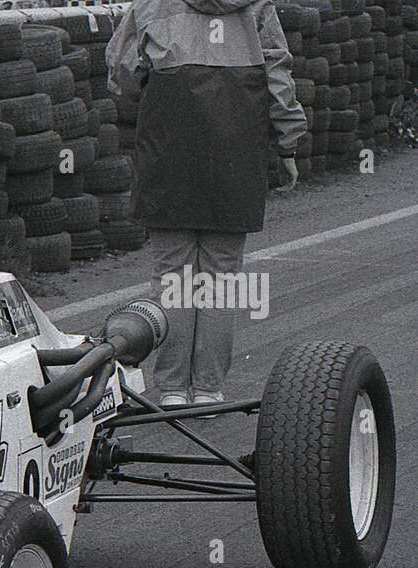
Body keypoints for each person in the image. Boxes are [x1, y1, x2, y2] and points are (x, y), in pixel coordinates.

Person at [106, 0, 306, 409]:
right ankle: (210, 389)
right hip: (235, 152)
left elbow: (122, 69)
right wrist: (288, 143)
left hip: (169, 148)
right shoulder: (256, 6)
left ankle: (173, 388)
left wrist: (153, 85)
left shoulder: (151, 4)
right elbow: (278, 75)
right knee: (219, 277)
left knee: (172, 274)